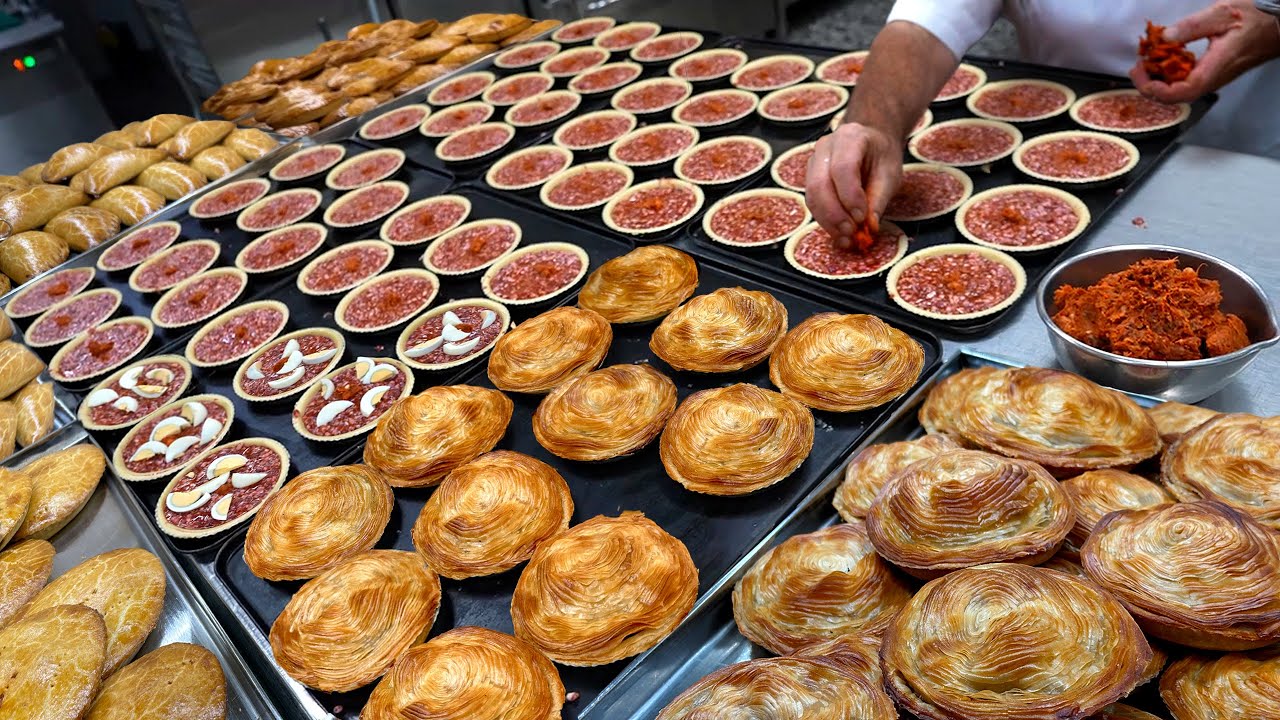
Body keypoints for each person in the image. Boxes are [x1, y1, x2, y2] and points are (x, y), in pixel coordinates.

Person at [806, 0, 1280, 246]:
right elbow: (925, 23)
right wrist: (873, 125)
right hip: (1058, 162)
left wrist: (1272, 21)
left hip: (1245, 148)